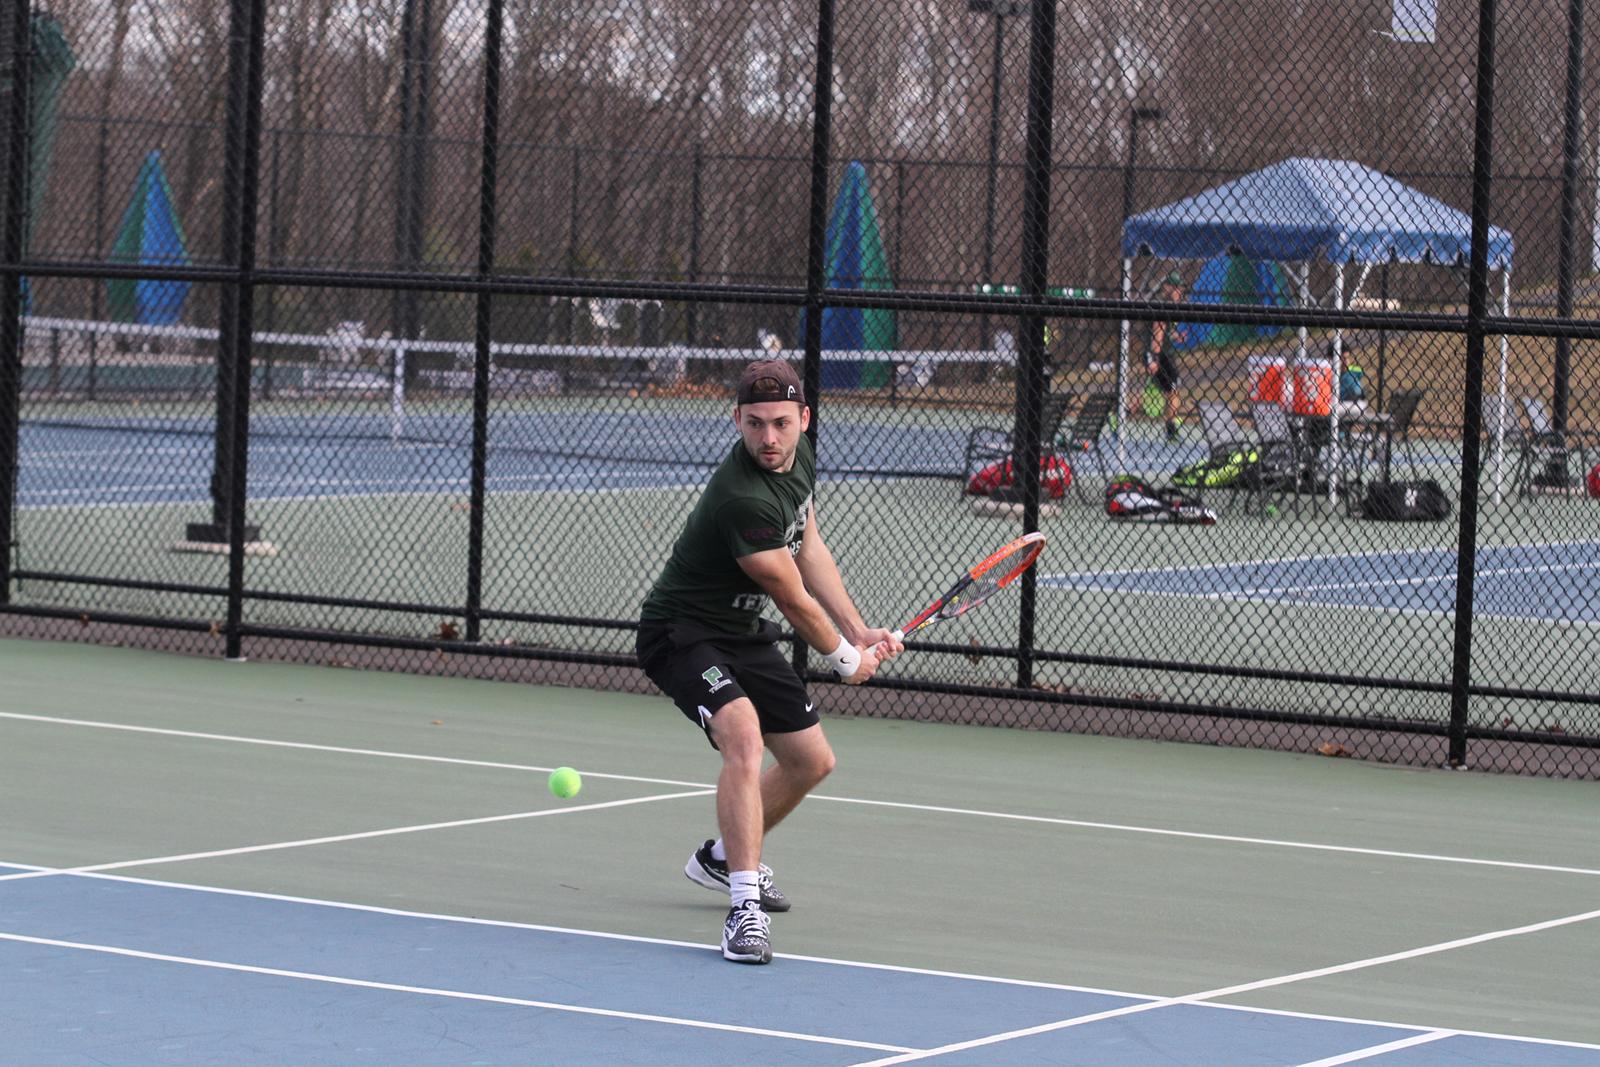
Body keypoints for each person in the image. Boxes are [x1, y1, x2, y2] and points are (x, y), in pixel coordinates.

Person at [635, 359, 903, 965]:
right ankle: (743, 909)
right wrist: (844, 659)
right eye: (754, 425)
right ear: (737, 420)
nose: (769, 438)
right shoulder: (741, 499)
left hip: (740, 631)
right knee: (744, 737)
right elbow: (790, 594)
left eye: (781, 423)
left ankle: (722, 857)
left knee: (812, 761)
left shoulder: (798, 459)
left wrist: (860, 629)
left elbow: (807, 547)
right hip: (680, 633)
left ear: (804, 419)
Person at [1146, 272, 1188, 443]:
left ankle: (1171, 427)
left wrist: (1176, 336)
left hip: (1164, 355)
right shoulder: (1162, 306)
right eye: (1176, 288)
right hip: (1161, 357)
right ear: (1166, 288)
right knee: (1172, 391)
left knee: (1169, 391)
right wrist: (1154, 359)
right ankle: (1171, 428)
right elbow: (1157, 332)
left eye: (1181, 288)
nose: (1179, 292)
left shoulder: (1168, 307)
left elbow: (1165, 333)